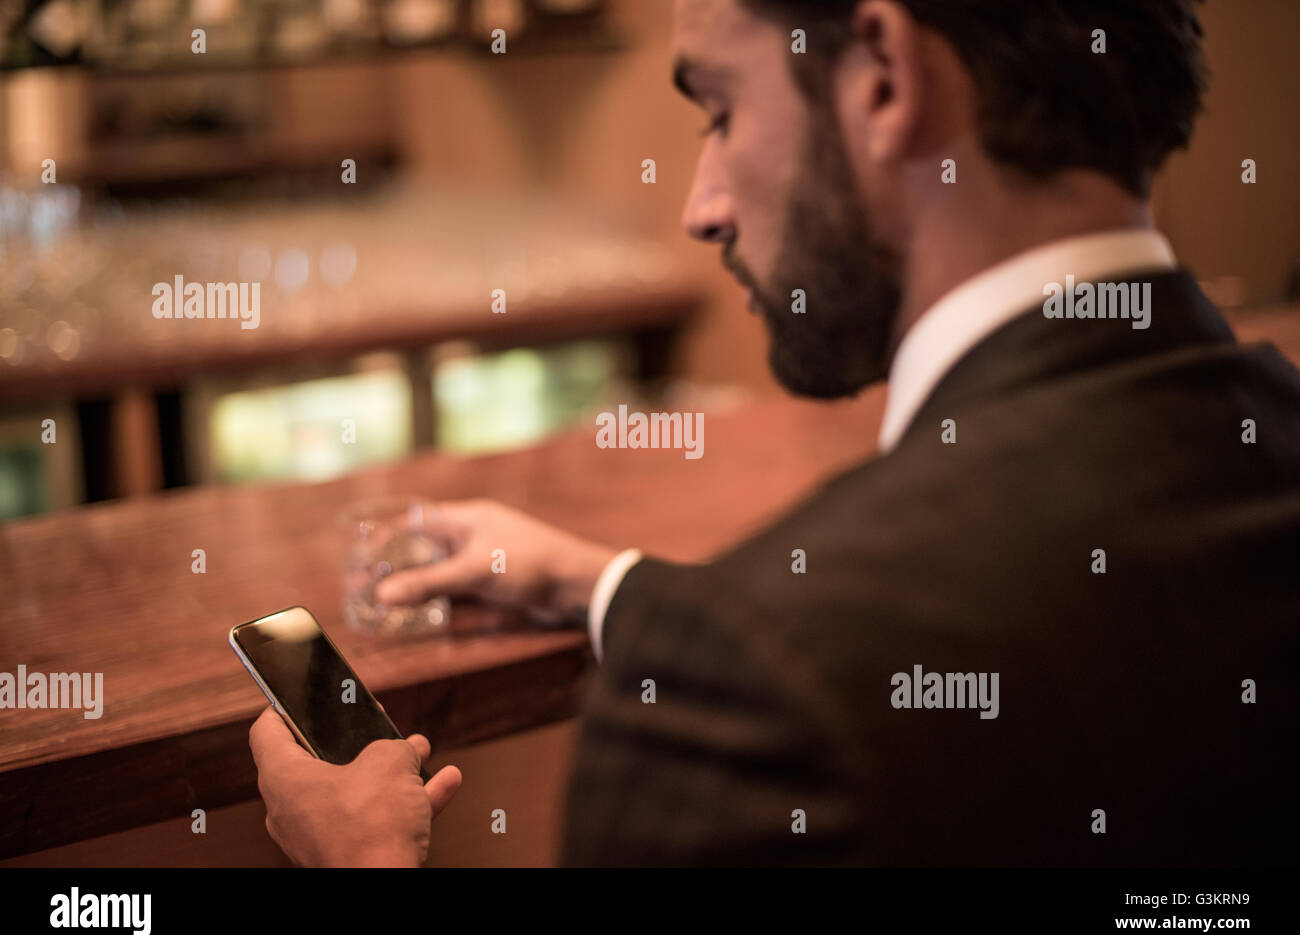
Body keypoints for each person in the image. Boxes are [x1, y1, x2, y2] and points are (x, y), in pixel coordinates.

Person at [250, 0, 1300, 866]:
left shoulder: (753, 705)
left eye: (719, 110)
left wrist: (366, 864)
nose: (700, 208)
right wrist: (604, 582)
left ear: (882, 76)